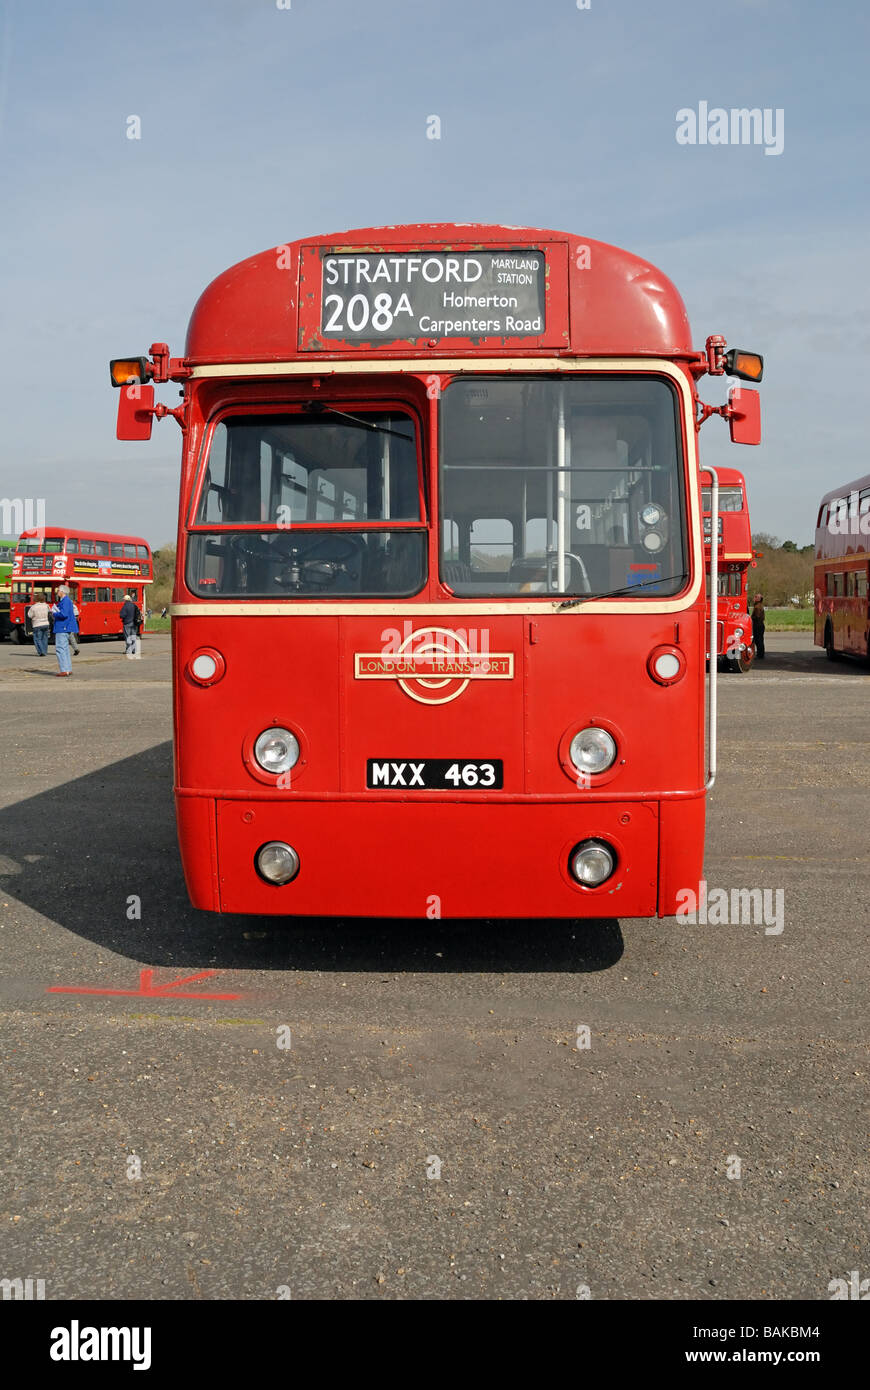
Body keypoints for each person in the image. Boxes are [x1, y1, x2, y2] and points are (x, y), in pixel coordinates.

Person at [50, 584, 78, 677]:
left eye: (58, 591)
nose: (57, 592)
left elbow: (64, 614)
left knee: (60, 649)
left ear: (62, 592)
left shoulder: (65, 601)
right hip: (66, 627)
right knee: (65, 649)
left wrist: (54, 613)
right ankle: (68, 669)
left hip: (62, 627)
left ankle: (64, 670)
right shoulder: (67, 601)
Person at [28, 591, 51, 656]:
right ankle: (45, 651)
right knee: (45, 639)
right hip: (46, 623)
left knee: (37, 639)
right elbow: (49, 612)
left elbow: (29, 615)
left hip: (37, 624)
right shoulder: (46, 605)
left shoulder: (33, 607)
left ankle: (41, 652)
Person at [119, 592, 139, 658]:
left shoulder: (125, 606)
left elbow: (122, 615)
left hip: (127, 623)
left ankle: (128, 651)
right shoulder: (133, 605)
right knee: (133, 637)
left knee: (127, 637)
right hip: (133, 623)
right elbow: (138, 612)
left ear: (125, 600)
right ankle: (135, 650)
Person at [751, 592, 766, 660]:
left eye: (756, 597)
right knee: (760, 640)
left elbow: (757, 616)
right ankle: (761, 654)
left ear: (759, 599)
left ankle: (760, 655)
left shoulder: (757, 606)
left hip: (758, 626)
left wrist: (751, 619)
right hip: (760, 625)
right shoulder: (759, 605)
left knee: (758, 640)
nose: (754, 598)